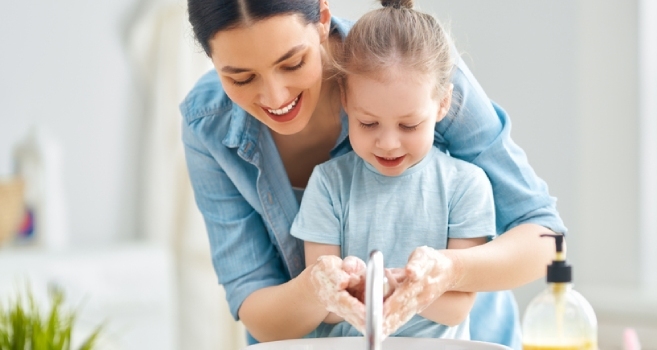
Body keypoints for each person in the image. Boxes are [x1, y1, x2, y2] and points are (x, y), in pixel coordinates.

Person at [180, 0, 567, 347]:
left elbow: (545, 236)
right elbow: (255, 304)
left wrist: (448, 272)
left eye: (292, 62)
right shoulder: (206, 123)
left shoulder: (412, 63)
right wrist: (316, 291)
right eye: (241, 78)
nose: (276, 97)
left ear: (322, 18)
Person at [289, 0, 495, 340]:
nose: (388, 143)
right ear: (345, 99)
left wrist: (392, 286)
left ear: (443, 102)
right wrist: (365, 287)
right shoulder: (328, 184)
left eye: (409, 126)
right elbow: (324, 305)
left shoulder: (466, 186)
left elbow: (456, 307)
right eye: (368, 123)